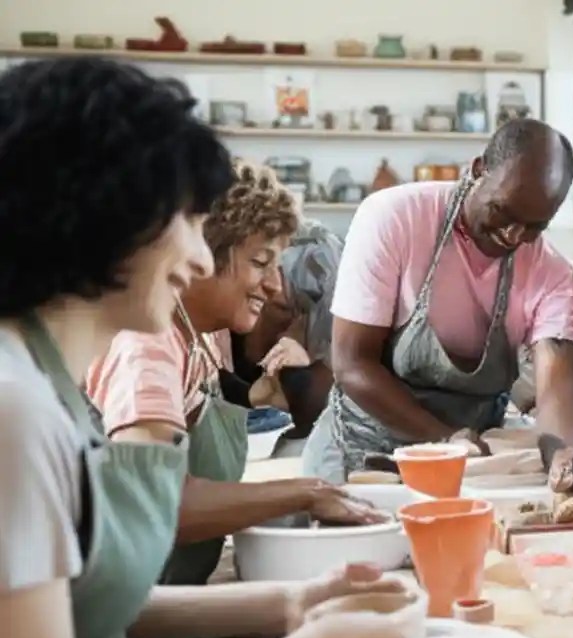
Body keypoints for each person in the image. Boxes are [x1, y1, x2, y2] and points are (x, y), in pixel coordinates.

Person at [0, 57, 416, 638]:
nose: (199, 257)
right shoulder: (14, 411)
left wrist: (292, 604)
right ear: (107, 212)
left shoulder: (36, 382)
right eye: (189, 220)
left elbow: (86, 606)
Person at [87, 160, 383, 588]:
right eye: (261, 262)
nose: (275, 286)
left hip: (169, 587)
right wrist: (306, 492)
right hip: (122, 605)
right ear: (200, 253)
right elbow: (157, 504)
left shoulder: (201, 337)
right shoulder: (145, 343)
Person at [302, 118, 573, 511]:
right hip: (366, 449)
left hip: (469, 463)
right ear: (478, 168)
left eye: (535, 227)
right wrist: (445, 437)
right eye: (504, 211)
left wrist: (568, 454)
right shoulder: (395, 218)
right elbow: (351, 364)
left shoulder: (552, 274)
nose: (514, 236)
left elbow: (557, 387)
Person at [225, 217, 344, 436]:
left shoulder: (316, 347)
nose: (291, 331)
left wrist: (300, 376)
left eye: (307, 318)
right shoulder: (222, 319)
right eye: (283, 309)